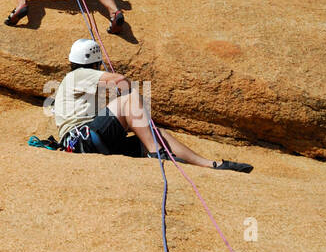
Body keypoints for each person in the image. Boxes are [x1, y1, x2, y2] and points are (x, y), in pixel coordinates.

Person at [51, 38, 252, 172]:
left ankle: (212, 165)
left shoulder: (75, 79)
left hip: (88, 142)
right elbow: (121, 82)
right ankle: (156, 153)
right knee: (129, 99)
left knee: (155, 134)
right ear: (95, 64)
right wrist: (131, 104)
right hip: (82, 139)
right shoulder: (78, 75)